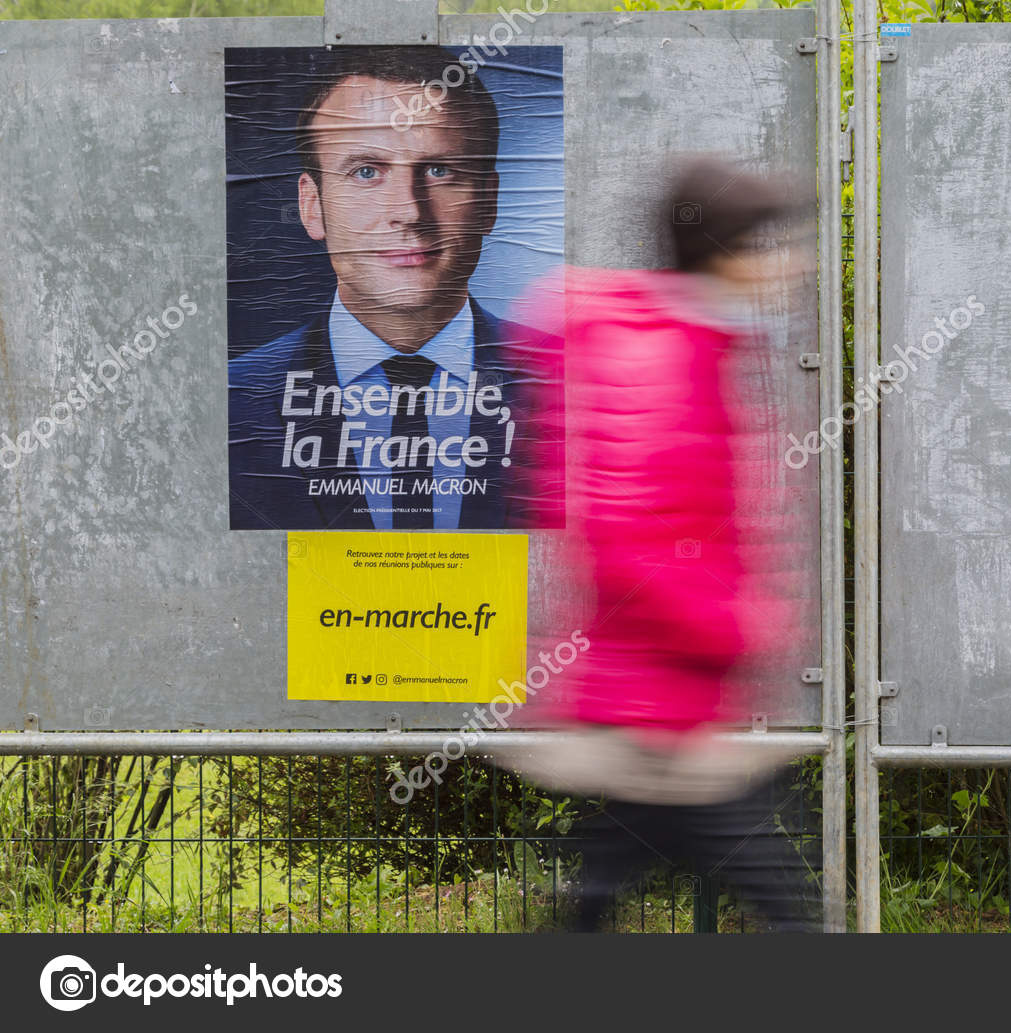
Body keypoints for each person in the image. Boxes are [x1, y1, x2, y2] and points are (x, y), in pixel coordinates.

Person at [491, 157, 819, 932]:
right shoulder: (661, 360)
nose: (792, 262)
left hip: (668, 690)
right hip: (661, 688)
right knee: (784, 904)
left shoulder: (698, 344)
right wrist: (735, 625)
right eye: (772, 243)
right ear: (727, 251)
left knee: (605, 888)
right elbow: (627, 538)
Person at [229, 47, 559, 531]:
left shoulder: (570, 386)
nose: (408, 210)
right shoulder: (234, 399)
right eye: (366, 172)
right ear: (312, 205)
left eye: (440, 170)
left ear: (488, 201)